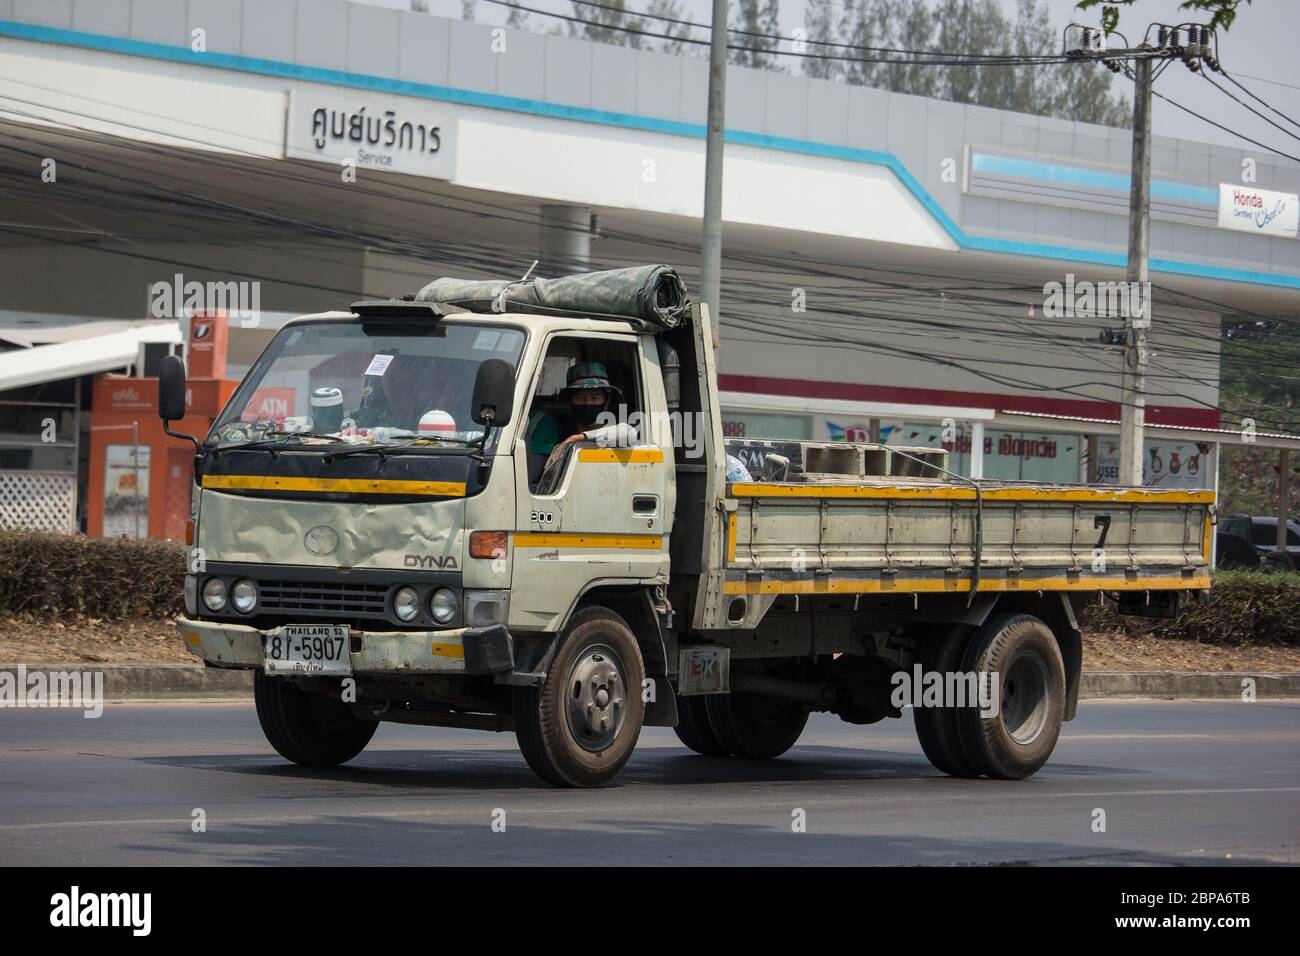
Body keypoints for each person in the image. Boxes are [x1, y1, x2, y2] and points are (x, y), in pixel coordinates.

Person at [526, 362, 636, 483]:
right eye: (580, 398)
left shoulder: (612, 428)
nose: (588, 403)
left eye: (595, 398)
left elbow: (629, 433)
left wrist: (579, 438)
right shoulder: (558, 428)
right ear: (570, 401)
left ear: (606, 401)